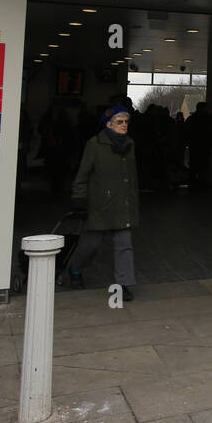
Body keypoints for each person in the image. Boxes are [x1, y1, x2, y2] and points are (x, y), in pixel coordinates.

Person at [68, 106, 139, 300]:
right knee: (91, 244)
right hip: (100, 204)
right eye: (119, 121)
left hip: (123, 204)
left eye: (126, 121)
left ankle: (123, 284)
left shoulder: (130, 144)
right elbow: (83, 174)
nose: (124, 125)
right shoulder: (95, 144)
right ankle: (75, 269)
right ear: (108, 124)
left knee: (124, 245)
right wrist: (79, 198)